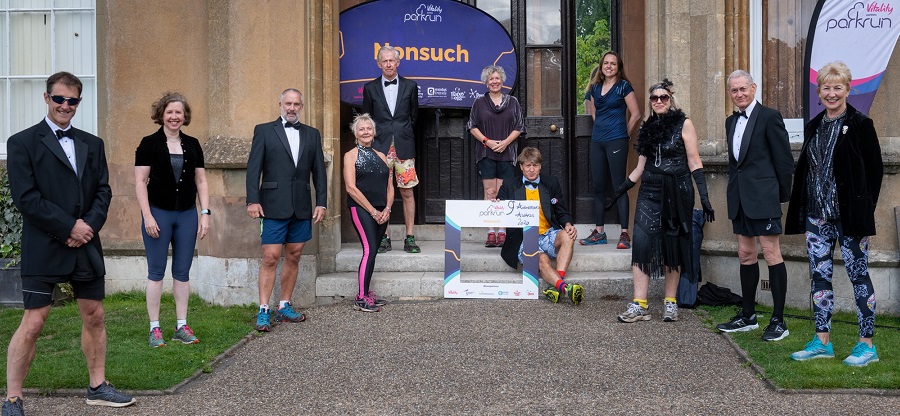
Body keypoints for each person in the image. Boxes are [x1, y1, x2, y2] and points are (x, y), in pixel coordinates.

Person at [3, 71, 135, 414]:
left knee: (95, 315)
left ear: (79, 102)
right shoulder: (21, 143)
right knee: (34, 321)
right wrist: (68, 227)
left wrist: (87, 227)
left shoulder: (93, 144)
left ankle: (97, 387)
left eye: (72, 100)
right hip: (44, 243)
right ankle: (13, 398)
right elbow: (26, 198)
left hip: (85, 243)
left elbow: (103, 191)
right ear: (47, 98)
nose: (65, 105)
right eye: (59, 98)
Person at [786, 62, 883, 366]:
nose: (831, 93)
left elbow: (875, 172)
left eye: (837, 87)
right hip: (817, 218)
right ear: (819, 92)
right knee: (819, 276)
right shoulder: (814, 125)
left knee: (858, 276)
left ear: (847, 90)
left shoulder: (860, 124)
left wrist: (862, 209)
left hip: (850, 218)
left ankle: (866, 345)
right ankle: (822, 342)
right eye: (826, 88)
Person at [611, 79, 714, 323]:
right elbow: (640, 167)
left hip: (677, 192)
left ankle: (670, 302)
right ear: (650, 101)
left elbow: (694, 161)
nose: (658, 101)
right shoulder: (646, 126)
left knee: (672, 245)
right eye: (654, 98)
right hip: (649, 192)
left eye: (663, 97)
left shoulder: (684, 123)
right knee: (642, 242)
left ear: (670, 99)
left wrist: (705, 197)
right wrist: (618, 192)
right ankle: (639, 304)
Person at [715, 70, 793, 342]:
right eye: (734, 90)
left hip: (764, 198)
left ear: (753, 88)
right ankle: (748, 316)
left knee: (771, 253)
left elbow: (784, 160)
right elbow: (735, 164)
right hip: (739, 198)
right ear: (730, 93)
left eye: (743, 89)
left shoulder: (770, 117)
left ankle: (779, 321)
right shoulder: (730, 121)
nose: (739, 94)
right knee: (745, 254)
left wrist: (780, 197)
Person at [246, 88, 327, 332]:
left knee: (294, 255)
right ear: (280, 104)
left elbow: (319, 172)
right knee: (270, 256)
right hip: (272, 205)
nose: (292, 108)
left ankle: (284, 306)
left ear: (301, 107)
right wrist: (252, 200)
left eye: (296, 104)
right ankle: (263, 310)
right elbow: (253, 169)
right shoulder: (263, 131)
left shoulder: (312, 134)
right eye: (288, 103)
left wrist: (321, 202)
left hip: (301, 206)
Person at [135, 92, 208, 347]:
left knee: (182, 272)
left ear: (184, 116)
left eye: (179, 112)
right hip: (158, 215)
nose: (174, 117)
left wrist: (205, 213)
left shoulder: (193, 144)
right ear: (161, 115)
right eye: (170, 112)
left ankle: (181, 326)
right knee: (156, 272)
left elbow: (201, 180)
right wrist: (147, 216)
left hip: (187, 215)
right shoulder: (149, 144)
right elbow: (140, 182)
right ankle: (154, 328)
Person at [498, 147, 584, 305]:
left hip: (547, 234)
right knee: (542, 259)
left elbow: (561, 210)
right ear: (521, 166)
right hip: (523, 238)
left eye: (535, 165)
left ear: (540, 166)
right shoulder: (509, 184)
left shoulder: (551, 183)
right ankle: (564, 288)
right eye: (528, 166)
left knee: (568, 236)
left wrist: (568, 224)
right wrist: (496, 204)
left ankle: (557, 287)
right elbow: (500, 210)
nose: (532, 169)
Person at [580, 51, 642, 249]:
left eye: (613, 64)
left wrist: (624, 134)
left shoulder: (624, 86)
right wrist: (601, 128)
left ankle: (624, 234)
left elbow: (636, 114)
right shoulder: (595, 87)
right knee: (598, 186)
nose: (609, 66)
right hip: (598, 140)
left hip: (617, 140)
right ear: (601, 66)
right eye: (606, 63)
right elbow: (594, 112)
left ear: (618, 67)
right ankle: (599, 233)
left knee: (619, 186)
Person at [362, 45, 421, 254]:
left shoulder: (410, 86)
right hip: (379, 147)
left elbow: (414, 117)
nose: (388, 64)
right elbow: (367, 119)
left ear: (398, 62)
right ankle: (383, 237)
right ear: (379, 64)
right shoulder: (370, 88)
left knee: (407, 191)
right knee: (381, 192)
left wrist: (402, 133)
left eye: (391, 60)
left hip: (404, 146)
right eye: (384, 61)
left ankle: (410, 237)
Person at [467, 65, 526, 248]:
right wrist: (488, 142)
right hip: (486, 153)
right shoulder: (479, 102)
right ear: (486, 83)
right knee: (490, 192)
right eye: (491, 79)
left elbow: (519, 126)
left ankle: (502, 231)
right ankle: (491, 231)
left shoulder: (513, 102)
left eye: (497, 78)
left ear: (502, 81)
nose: (494, 82)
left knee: (503, 193)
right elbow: (472, 126)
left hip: (507, 154)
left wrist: (505, 142)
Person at [343, 114, 394, 312]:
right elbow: (350, 188)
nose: (366, 132)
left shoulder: (382, 156)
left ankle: (367, 292)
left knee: (373, 251)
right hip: (361, 209)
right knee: (369, 249)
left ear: (374, 132)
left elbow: (390, 186)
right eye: (361, 129)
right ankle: (361, 297)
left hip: (382, 211)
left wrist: (387, 209)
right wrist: (372, 211)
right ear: (355, 133)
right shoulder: (350, 155)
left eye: (369, 128)